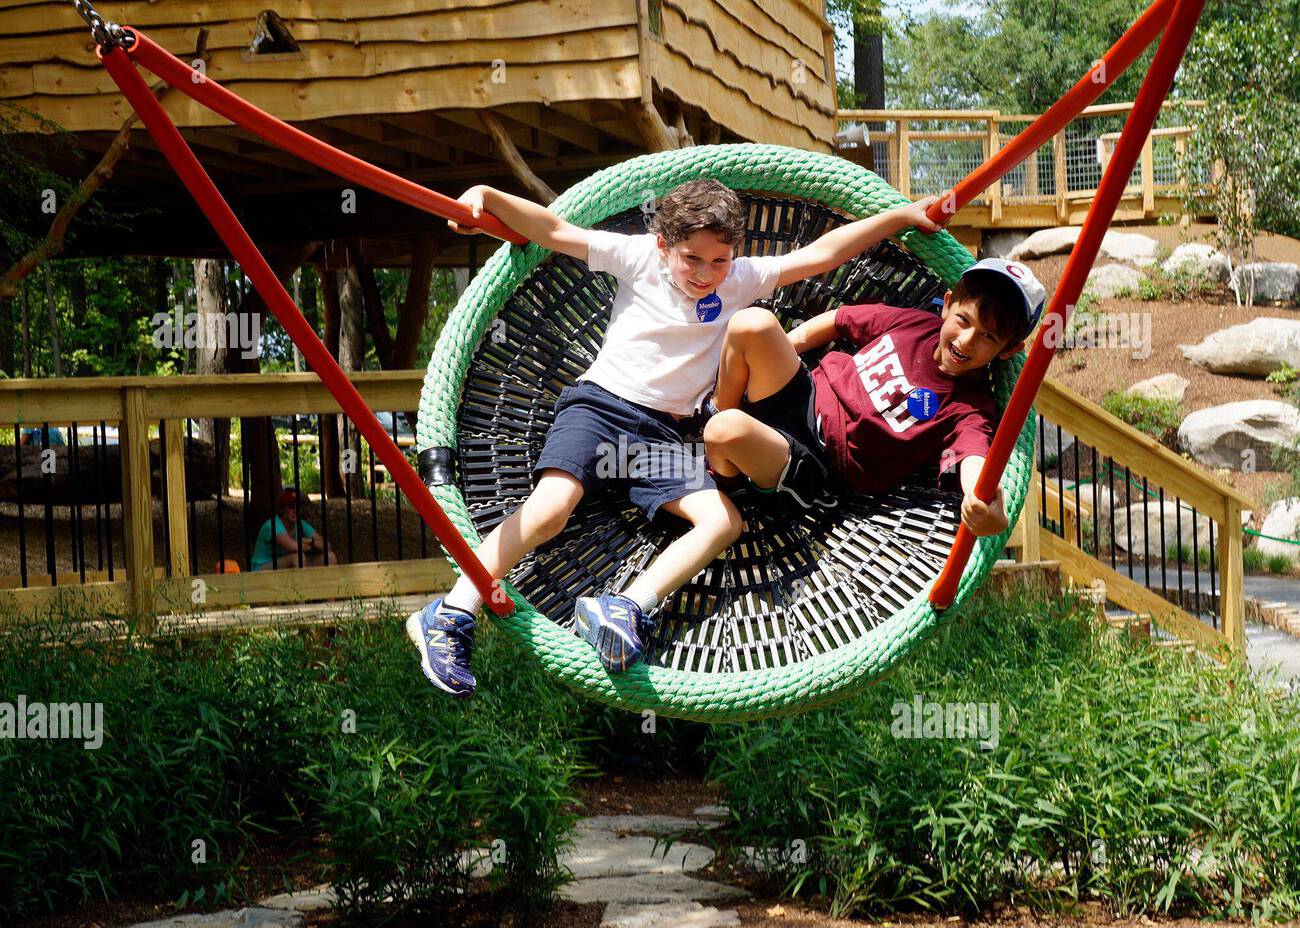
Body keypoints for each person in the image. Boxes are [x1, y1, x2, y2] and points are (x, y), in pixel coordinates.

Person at [407, 179, 942, 698]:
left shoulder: (743, 279)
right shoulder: (636, 256)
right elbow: (552, 229)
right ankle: (453, 609)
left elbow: (823, 254)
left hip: (665, 434)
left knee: (723, 522)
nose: (706, 274)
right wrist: (489, 198)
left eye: (719, 260)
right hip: (599, 407)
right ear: (665, 245)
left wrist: (896, 218)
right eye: (692, 258)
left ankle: (626, 606)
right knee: (551, 510)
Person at [701, 257, 1047, 539]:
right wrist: (777, 355)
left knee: (725, 430)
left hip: (816, 461)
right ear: (947, 304)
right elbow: (841, 320)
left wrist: (984, 504)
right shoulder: (916, 324)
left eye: (988, 336)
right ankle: (711, 416)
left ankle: (729, 487)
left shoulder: (969, 407)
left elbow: (975, 456)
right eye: (963, 319)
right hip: (805, 393)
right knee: (753, 324)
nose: (967, 340)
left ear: (1008, 349)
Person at [251, 488, 337, 570]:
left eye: (298, 506)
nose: (295, 510)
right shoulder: (273, 525)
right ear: (283, 509)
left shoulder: (301, 524)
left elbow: (327, 546)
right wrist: (311, 545)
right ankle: (301, 585)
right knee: (298, 558)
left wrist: (310, 541)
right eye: (291, 506)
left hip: (285, 564)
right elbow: (296, 548)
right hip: (263, 567)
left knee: (330, 558)